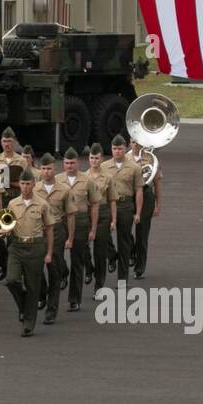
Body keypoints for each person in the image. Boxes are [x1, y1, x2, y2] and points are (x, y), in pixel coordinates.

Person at [3, 167, 53, 337]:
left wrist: (49, 252)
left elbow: (50, 229)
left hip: (35, 246)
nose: (25, 187)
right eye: (22, 183)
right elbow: (8, 224)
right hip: (16, 246)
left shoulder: (42, 204)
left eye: (28, 183)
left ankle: (28, 324)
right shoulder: (12, 203)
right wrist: (6, 230)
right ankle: (23, 304)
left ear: (34, 184)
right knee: (11, 280)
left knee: (33, 286)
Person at [35, 153, 72, 325]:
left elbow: (70, 216)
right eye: (43, 168)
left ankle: (51, 310)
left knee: (53, 269)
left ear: (54, 169)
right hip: (38, 230)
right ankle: (42, 292)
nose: (46, 172)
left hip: (57, 230)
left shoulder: (64, 190)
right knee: (36, 267)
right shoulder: (35, 189)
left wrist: (70, 237)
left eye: (49, 168)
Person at [62, 149, 101, 312]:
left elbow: (95, 206)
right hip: (61, 221)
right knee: (55, 258)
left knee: (77, 261)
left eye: (72, 163)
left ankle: (74, 299)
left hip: (81, 221)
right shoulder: (57, 180)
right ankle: (63, 273)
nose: (69, 166)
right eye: (66, 163)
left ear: (78, 163)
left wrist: (92, 229)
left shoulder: (87, 181)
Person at [106, 134, 144, 286]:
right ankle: (111, 255)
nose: (117, 152)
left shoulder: (134, 167)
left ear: (125, 148)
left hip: (126, 205)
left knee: (124, 241)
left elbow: (139, 190)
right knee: (102, 236)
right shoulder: (104, 166)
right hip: (108, 205)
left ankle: (122, 280)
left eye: (120, 149)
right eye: (114, 149)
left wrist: (138, 213)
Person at [0, 128, 25, 282]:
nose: (7, 144)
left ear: (14, 142)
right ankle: (3, 264)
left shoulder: (21, 161)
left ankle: (10, 269)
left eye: (9, 141)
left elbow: (27, 182)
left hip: (13, 200)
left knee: (11, 238)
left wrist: (9, 182)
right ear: (1, 142)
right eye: (4, 141)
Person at [128, 137, 162, 279]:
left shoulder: (151, 158)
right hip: (129, 195)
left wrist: (158, 205)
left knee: (142, 234)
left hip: (147, 195)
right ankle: (131, 252)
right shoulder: (125, 157)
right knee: (125, 230)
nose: (136, 145)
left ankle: (139, 268)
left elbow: (157, 183)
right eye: (133, 142)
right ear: (129, 143)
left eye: (138, 142)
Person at [85, 143, 117, 293]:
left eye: (97, 158)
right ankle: (89, 268)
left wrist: (113, 220)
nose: (94, 161)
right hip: (86, 213)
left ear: (101, 159)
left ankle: (99, 285)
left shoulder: (108, 177)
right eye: (92, 158)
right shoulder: (84, 177)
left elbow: (112, 200)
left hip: (103, 213)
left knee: (100, 251)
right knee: (83, 248)